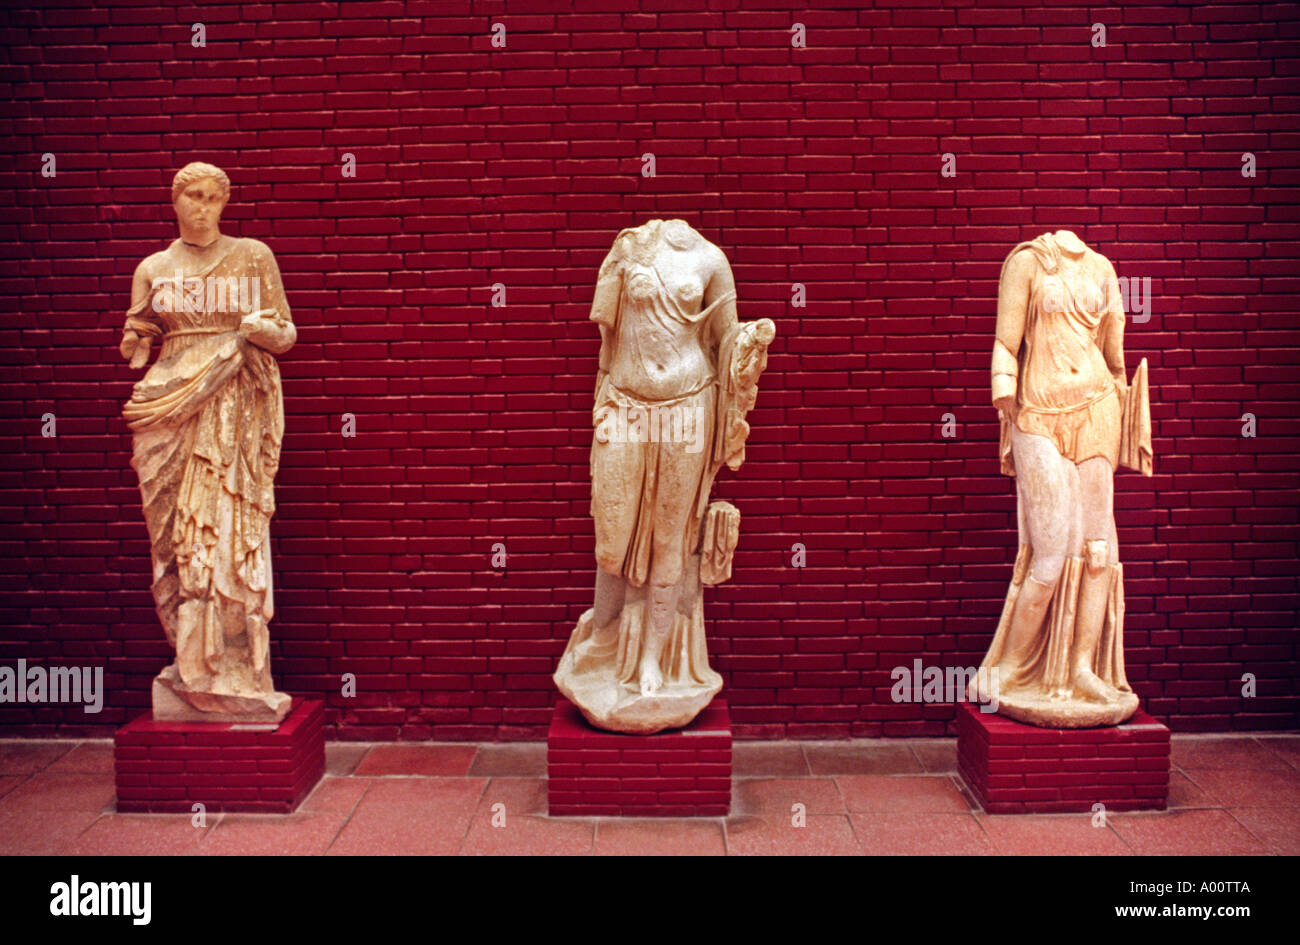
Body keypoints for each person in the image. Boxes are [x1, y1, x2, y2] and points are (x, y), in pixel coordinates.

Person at [555, 219, 774, 732]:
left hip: (687, 408)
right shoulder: (628, 246)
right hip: (624, 407)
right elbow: (606, 343)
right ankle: (604, 643)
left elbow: (727, 343)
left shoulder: (711, 259)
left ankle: (653, 659)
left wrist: (753, 341)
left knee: (672, 539)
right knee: (610, 544)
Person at [120, 162, 296, 719]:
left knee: (223, 526)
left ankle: (235, 664)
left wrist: (257, 330)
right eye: (192, 196)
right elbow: (140, 329)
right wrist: (136, 341)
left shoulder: (253, 256)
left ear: (224, 203)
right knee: (172, 533)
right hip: (168, 402)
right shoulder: (153, 267)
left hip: (232, 401)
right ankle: (187, 658)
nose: (202, 206)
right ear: (174, 202)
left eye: (212, 197)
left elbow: (285, 334)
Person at [972, 230, 1151, 727]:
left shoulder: (1102, 268)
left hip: (1097, 409)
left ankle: (1082, 669)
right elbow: (1006, 344)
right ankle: (1008, 666)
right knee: (1051, 550)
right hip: (1038, 413)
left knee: (1099, 548)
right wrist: (1003, 396)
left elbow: (1114, 356)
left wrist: (1128, 406)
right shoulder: (1028, 261)